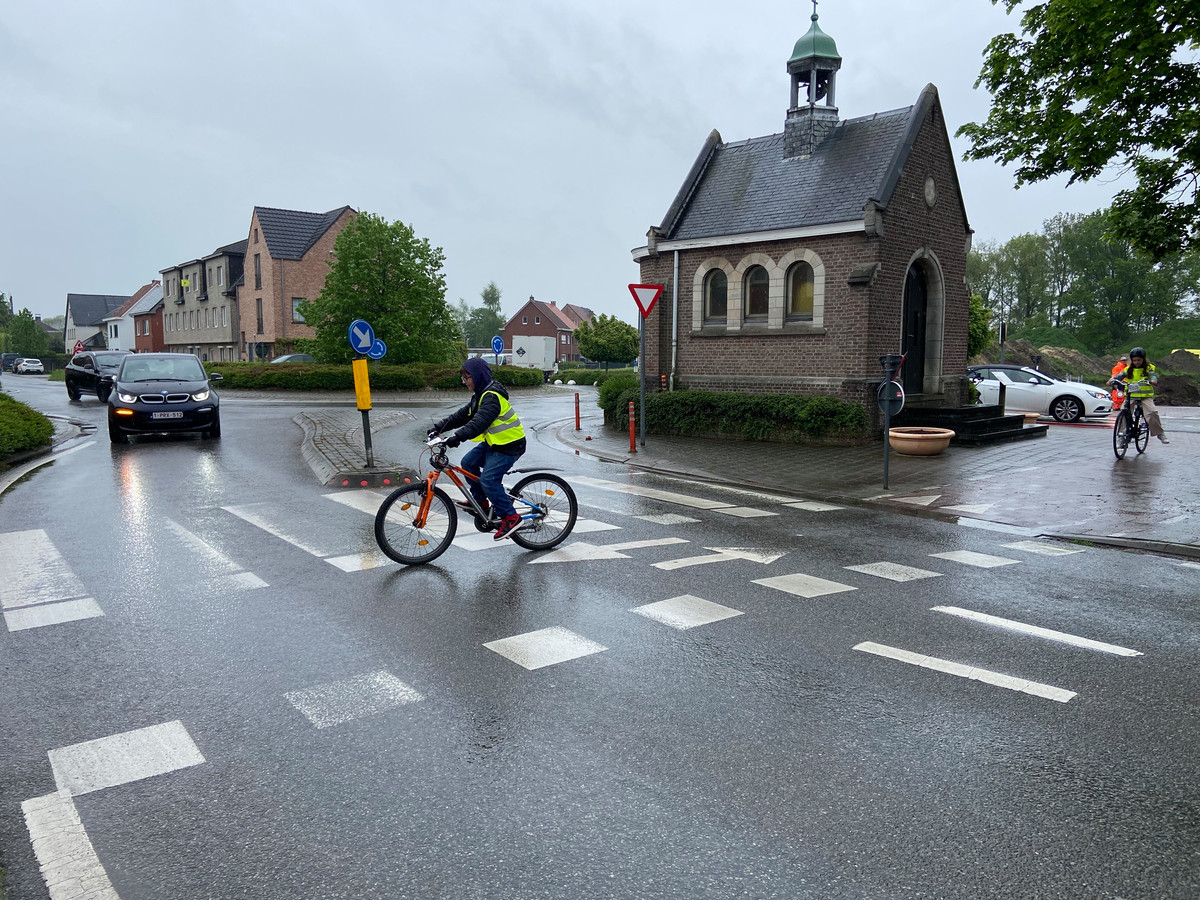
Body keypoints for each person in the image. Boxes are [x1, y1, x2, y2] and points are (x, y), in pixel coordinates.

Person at [428, 357, 528, 540]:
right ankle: (481, 502)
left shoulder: (492, 397)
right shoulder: (481, 395)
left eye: (468, 378)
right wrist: (438, 428)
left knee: (489, 480)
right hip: (495, 443)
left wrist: (457, 437)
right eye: (463, 378)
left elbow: (479, 423)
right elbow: (461, 416)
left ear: (478, 376)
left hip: (510, 446)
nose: (465, 382)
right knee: (467, 463)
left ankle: (511, 517)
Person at [1110, 348, 1169, 444]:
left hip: (1145, 396)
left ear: (1143, 359)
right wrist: (1112, 379)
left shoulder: (1148, 368)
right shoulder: (1128, 369)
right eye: (1134, 360)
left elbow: (1153, 376)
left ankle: (1159, 433)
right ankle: (1122, 435)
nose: (1137, 362)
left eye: (1139, 360)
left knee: (1152, 412)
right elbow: (1120, 376)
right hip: (1131, 396)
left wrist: (1153, 381)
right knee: (1124, 413)